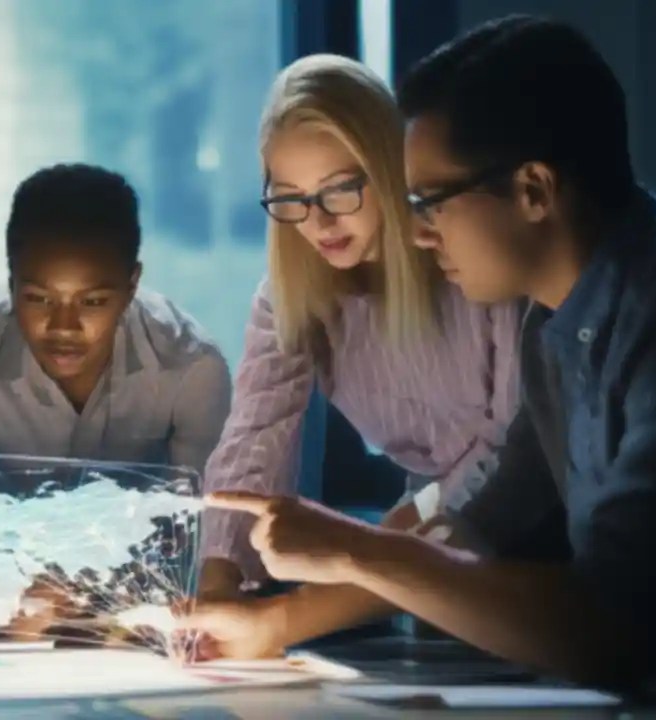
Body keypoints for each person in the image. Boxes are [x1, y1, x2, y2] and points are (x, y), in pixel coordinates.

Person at [187, 15, 656, 693]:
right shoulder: (562, 329)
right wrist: (250, 601)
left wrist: (357, 549)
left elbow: (610, 626)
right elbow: (490, 513)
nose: (418, 228)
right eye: (292, 199)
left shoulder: (620, 314)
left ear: (534, 190)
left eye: (429, 201)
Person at [197, 54, 520, 604]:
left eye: (340, 189)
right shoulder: (290, 295)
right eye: (292, 199)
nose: (319, 222)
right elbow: (253, 437)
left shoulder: (473, 261)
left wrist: (388, 538)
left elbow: (512, 443)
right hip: (421, 532)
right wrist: (218, 578)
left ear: (390, 168)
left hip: (532, 523)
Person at [0, 163, 231, 477]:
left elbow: (201, 520)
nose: (63, 327)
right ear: (12, 283)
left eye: (92, 302)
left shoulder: (190, 367)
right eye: (39, 299)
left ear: (131, 286)